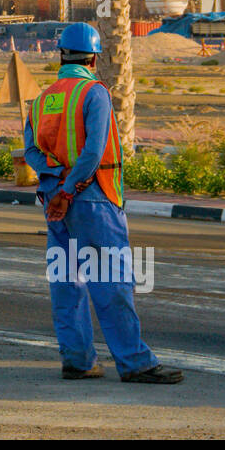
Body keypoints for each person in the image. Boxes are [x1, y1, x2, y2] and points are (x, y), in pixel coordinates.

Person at [23, 23, 183, 384]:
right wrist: (69, 189)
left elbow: (30, 152)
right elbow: (94, 153)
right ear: (93, 59)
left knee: (67, 283)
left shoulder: (42, 100)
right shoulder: (94, 93)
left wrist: (57, 183)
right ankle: (135, 363)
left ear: (62, 56)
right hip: (93, 201)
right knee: (111, 282)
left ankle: (77, 361)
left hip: (54, 206)